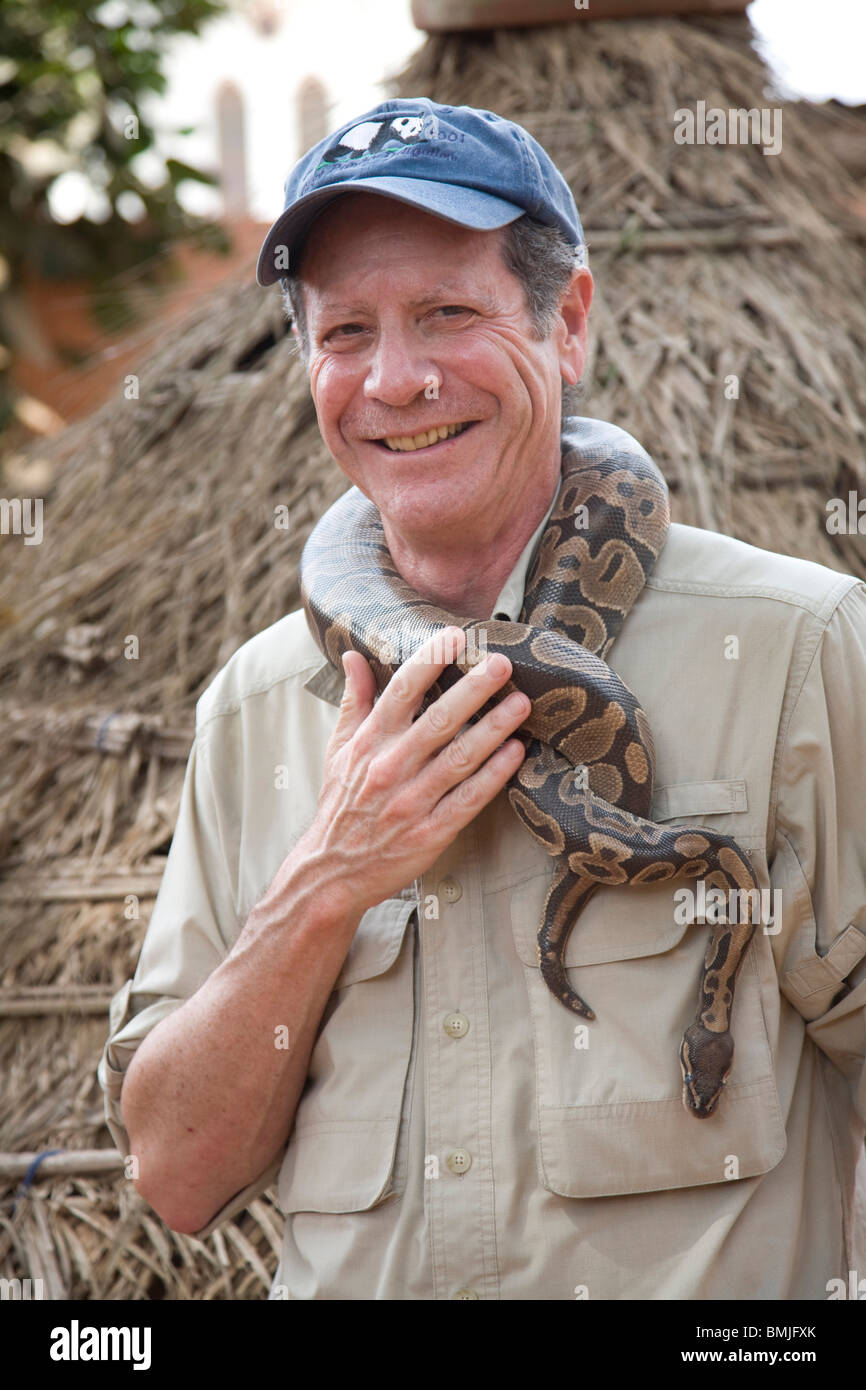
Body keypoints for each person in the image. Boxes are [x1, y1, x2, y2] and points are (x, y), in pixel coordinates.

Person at [99, 98, 866, 1300]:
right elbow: (177, 1176)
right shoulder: (254, 710)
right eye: (344, 331)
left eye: (446, 314)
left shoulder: (793, 648)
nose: (395, 381)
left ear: (565, 323)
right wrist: (329, 878)